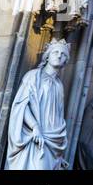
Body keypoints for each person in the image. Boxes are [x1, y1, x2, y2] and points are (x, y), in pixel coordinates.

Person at [6, 40, 70, 170]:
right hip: (35, 137)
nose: (59, 56)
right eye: (55, 52)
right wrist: (35, 127)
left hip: (53, 142)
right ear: (47, 56)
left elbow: (58, 116)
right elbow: (22, 106)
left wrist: (59, 154)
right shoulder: (33, 76)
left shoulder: (59, 85)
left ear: (65, 61)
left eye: (63, 54)